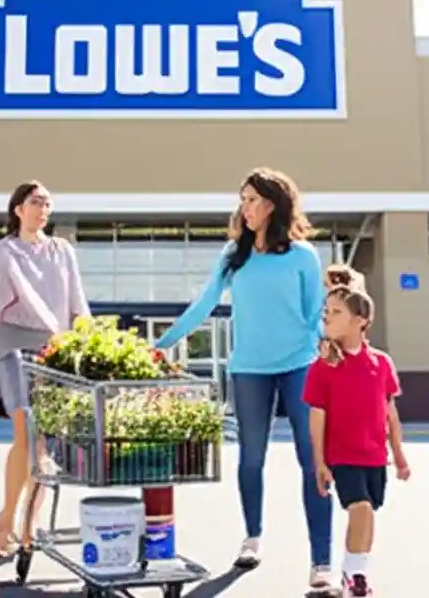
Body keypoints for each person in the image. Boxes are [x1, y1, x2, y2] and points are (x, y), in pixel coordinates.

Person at [153, 166, 334, 591]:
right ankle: (252, 538)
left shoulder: (303, 256)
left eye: (252, 199)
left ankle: (322, 560)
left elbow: (314, 315)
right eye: (243, 199)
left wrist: (326, 356)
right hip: (250, 368)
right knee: (251, 457)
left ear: (272, 204)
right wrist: (163, 343)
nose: (245, 208)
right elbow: (204, 304)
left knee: (312, 461)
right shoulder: (235, 254)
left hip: (299, 367)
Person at [0, 180, 90, 556]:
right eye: (35, 202)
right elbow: (25, 293)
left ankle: (28, 524)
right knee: (26, 433)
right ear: (18, 209)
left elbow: (77, 299)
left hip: (54, 350)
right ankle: (6, 519)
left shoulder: (62, 250)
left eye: (47, 203)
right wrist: (57, 329)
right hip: (15, 344)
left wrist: (87, 341)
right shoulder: (4, 250)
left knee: (46, 441)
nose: (42, 209)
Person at [303, 265, 411, 597]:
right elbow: (316, 418)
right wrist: (320, 463)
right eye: (326, 312)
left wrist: (400, 455)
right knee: (360, 507)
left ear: (360, 320)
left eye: (336, 312)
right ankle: (352, 576)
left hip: (375, 455)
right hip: (342, 455)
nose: (327, 318)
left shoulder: (381, 363)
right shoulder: (323, 367)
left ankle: (356, 573)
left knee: (368, 515)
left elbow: (389, 412)